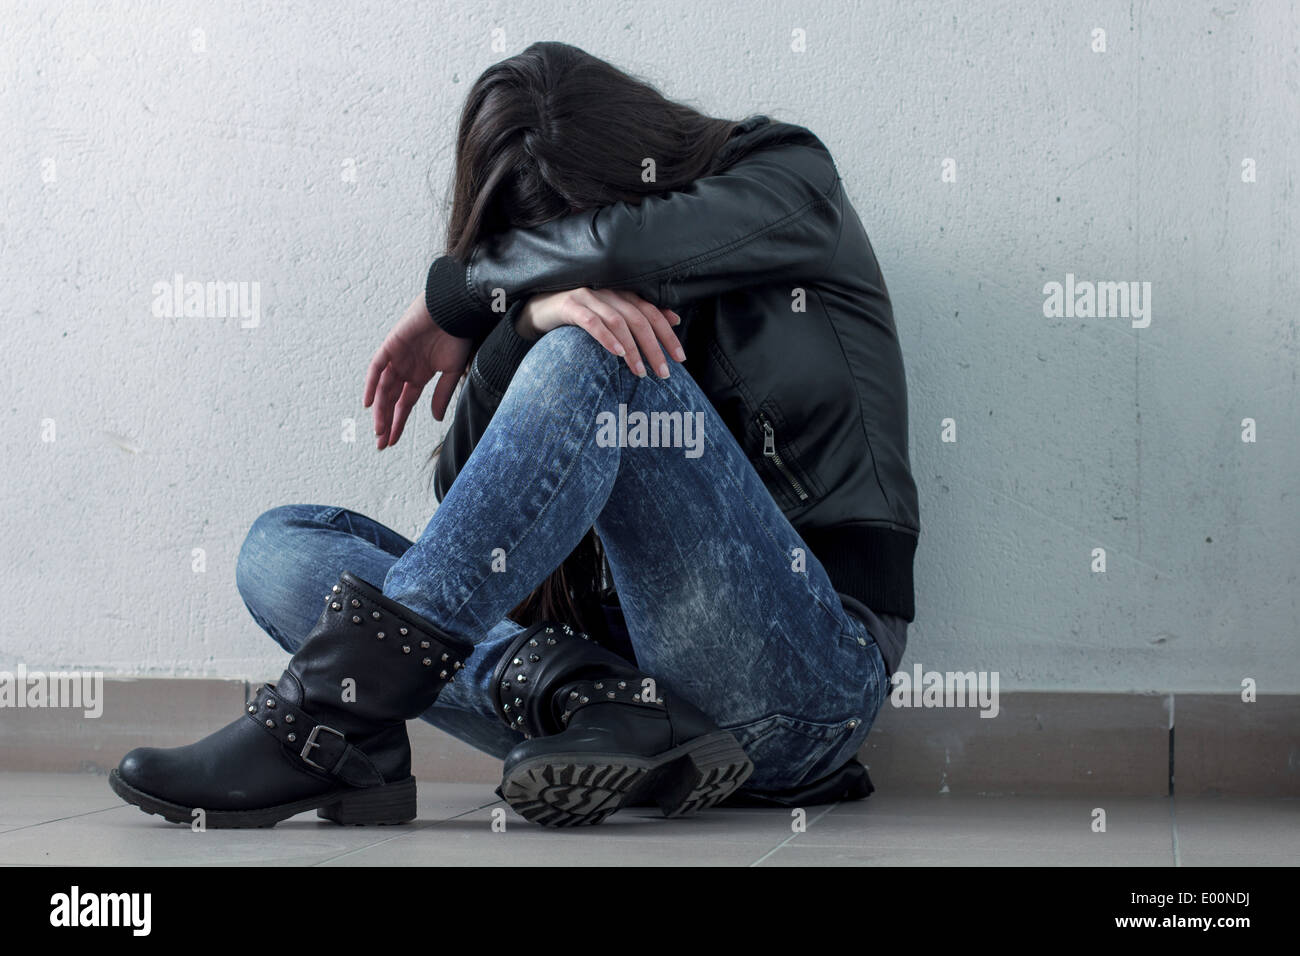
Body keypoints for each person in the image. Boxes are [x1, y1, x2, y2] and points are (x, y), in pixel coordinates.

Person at [108, 41, 920, 829]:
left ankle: (326, 720)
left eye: (556, 251)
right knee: (277, 549)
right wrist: (524, 323)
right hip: (612, 698)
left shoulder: (790, 178)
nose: (572, 276)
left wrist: (469, 288)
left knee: (597, 349)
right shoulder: (552, 310)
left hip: (801, 682)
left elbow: (620, 245)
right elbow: (473, 500)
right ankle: (605, 707)